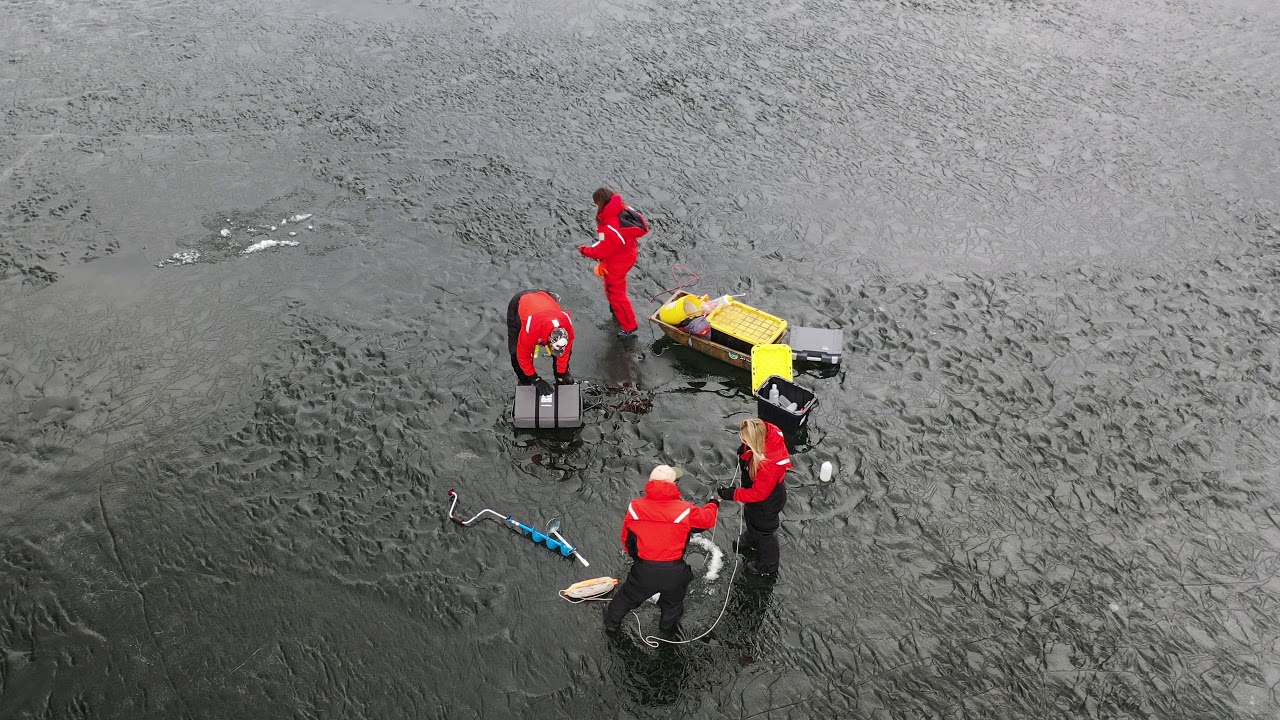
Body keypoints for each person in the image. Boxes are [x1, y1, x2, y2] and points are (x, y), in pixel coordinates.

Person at [604, 465, 721, 634]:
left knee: (625, 599)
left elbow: (627, 539)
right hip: (674, 572)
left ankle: (611, 624)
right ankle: (667, 631)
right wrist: (713, 503)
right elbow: (707, 520)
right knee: (672, 606)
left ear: (650, 483)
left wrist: (638, 560)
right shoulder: (685, 510)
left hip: (644, 571)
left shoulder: (635, 507)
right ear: (674, 484)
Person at [717, 418, 791, 575]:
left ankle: (768, 565)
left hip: (767, 502)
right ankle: (751, 538)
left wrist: (733, 494)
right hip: (757, 497)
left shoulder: (768, 467)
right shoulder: (766, 432)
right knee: (751, 517)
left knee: (764, 532)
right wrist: (745, 449)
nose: (741, 439)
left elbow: (758, 493)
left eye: (745, 439)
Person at [579, 187, 648, 340]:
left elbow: (602, 250)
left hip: (617, 262)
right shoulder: (624, 208)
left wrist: (584, 250)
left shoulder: (609, 226)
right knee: (613, 288)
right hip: (628, 254)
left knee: (616, 293)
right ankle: (616, 309)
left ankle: (629, 325)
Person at [506, 290, 575, 396]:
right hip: (521, 303)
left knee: (561, 363)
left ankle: (561, 375)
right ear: (548, 341)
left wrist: (561, 375)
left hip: (545, 298)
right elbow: (523, 358)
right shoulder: (531, 332)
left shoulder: (567, 329)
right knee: (515, 352)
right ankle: (525, 381)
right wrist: (536, 380)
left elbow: (564, 353)